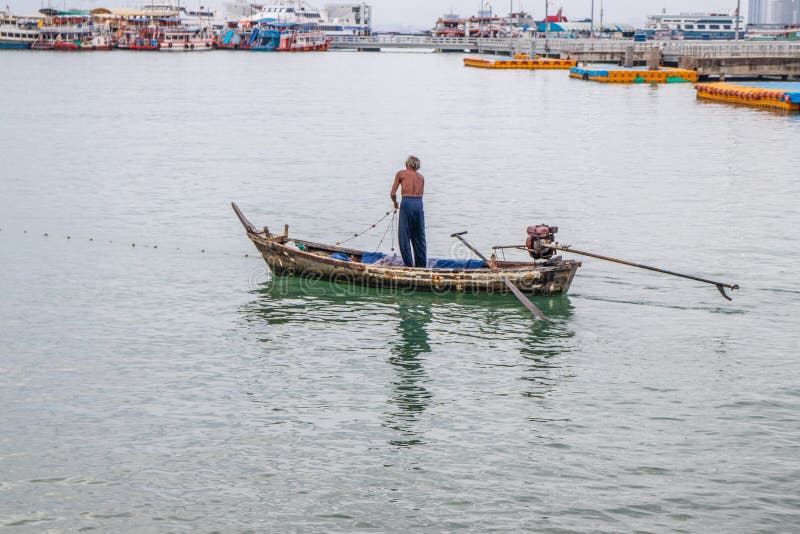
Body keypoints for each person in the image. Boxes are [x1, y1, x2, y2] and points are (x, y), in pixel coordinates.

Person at [390, 155, 427, 268]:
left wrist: (395, 203)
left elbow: (392, 194)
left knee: (404, 235)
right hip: (419, 204)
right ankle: (421, 265)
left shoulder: (401, 173)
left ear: (407, 164)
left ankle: (409, 265)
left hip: (407, 202)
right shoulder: (421, 177)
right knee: (419, 235)